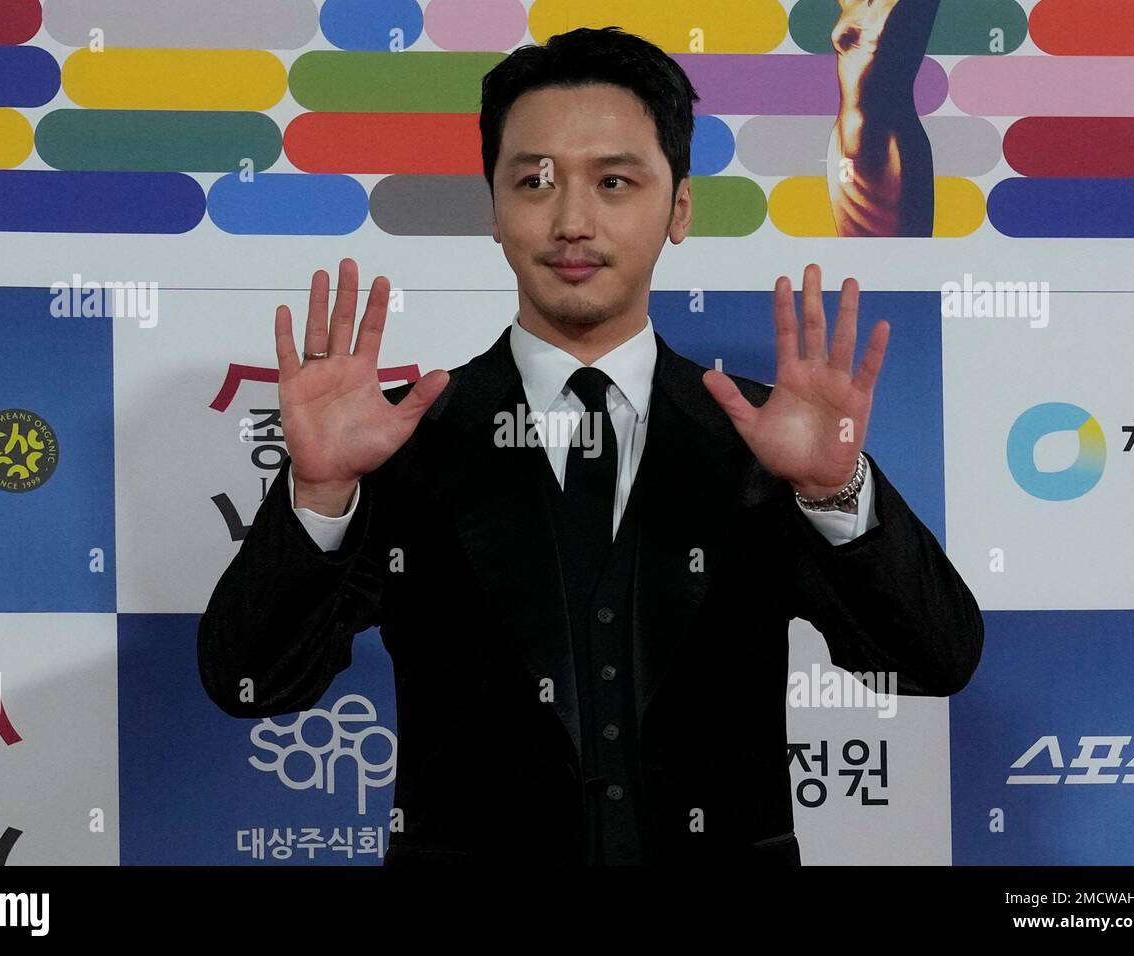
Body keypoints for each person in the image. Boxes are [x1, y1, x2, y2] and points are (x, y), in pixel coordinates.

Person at [197, 26, 983, 866]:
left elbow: (934, 661)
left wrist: (834, 492)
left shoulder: (769, 441)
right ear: (492, 209)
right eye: (533, 180)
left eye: (615, 181)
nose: (572, 220)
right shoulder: (397, 438)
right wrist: (318, 495)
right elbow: (251, 681)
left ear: (679, 207)